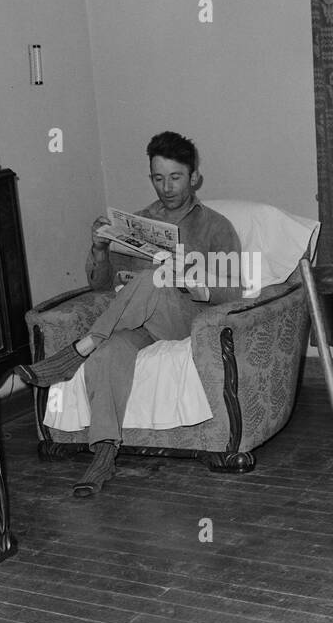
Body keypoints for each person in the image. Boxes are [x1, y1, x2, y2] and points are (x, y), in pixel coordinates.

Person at [16, 131, 244, 497]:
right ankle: (103, 456)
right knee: (108, 352)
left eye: (175, 177)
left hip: (187, 320)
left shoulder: (216, 227)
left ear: (194, 177)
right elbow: (102, 286)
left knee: (157, 276)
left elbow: (235, 290)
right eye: (158, 178)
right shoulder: (136, 224)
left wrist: (189, 279)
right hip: (138, 323)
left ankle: (77, 350)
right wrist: (100, 249)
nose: (166, 187)